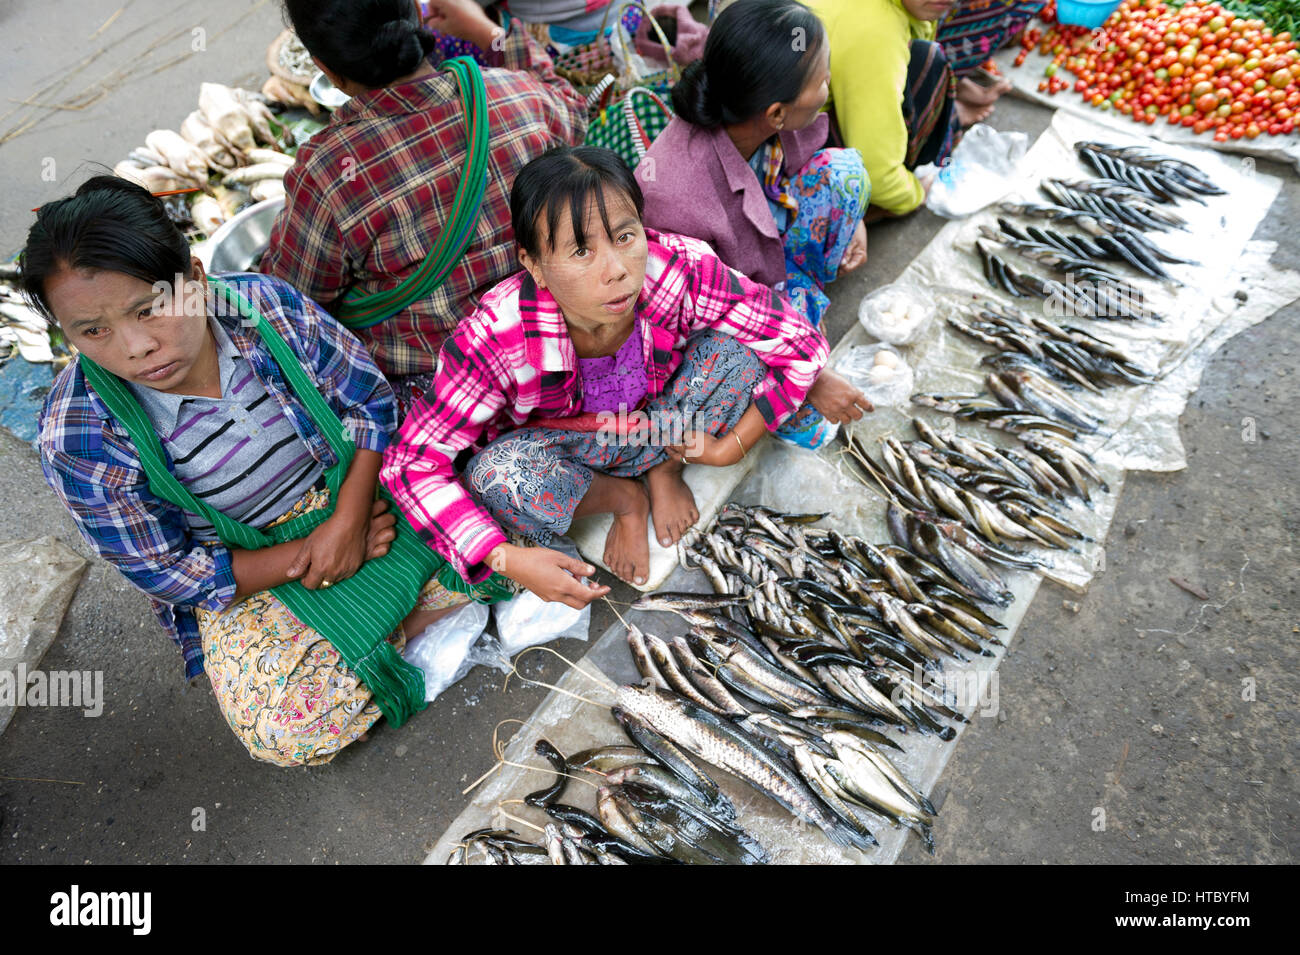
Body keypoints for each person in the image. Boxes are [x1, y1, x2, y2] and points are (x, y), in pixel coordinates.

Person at [28, 177, 505, 768]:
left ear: (198, 280)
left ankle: (379, 628)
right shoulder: (76, 436)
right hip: (253, 570)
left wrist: (351, 518)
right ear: (65, 332)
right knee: (283, 730)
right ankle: (415, 612)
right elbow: (169, 571)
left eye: (150, 308)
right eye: (91, 331)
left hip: (365, 492)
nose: (136, 347)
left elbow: (369, 404)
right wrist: (315, 553)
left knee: (510, 482)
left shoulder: (264, 307)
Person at [381, 146, 828, 598]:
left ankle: (665, 469)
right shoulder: (496, 337)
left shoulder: (677, 268)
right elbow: (412, 463)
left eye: (625, 237)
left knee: (737, 354)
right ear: (533, 263)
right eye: (580, 251)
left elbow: (797, 341)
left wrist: (728, 448)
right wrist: (506, 558)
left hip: (663, 423)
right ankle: (624, 498)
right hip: (573, 445)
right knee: (494, 475)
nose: (616, 271)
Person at [262, 0, 587, 398]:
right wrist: (490, 34)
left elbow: (289, 301)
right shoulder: (520, 95)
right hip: (562, 348)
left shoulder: (327, 172)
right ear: (416, 15)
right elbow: (572, 105)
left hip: (449, 394)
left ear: (326, 69)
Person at [636, 0, 872, 449]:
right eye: (822, 79)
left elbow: (811, 164)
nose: (828, 84)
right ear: (778, 113)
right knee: (810, 426)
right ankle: (788, 360)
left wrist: (852, 217)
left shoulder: (753, 111)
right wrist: (812, 374)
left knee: (844, 177)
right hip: (709, 318)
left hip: (756, 264)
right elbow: (709, 313)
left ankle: (803, 305)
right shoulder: (676, 197)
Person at [807, 0, 1015, 219]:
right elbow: (876, 172)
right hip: (787, 159)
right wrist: (914, 195)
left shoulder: (898, 11)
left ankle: (945, 115)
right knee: (928, 59)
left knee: (922, 57)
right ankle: (858, 213)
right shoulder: (876, 31)